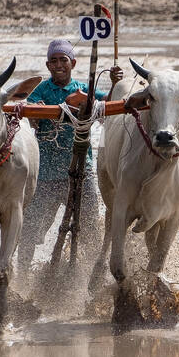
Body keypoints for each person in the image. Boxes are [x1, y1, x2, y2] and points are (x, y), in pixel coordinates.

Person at [22, 40, 124, 265]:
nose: (59, 65)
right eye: (54, 61)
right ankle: (20, 278)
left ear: (73, 63)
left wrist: (115, 83)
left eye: (63, 60)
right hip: (46, 175)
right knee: (28, 230)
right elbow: (29, 113)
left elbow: (110, 104)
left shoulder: (84, 90)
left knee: (90, 230)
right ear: (48, 65)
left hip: (80, 172)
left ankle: (90, 275)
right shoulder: (41, 91)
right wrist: (35, 112)